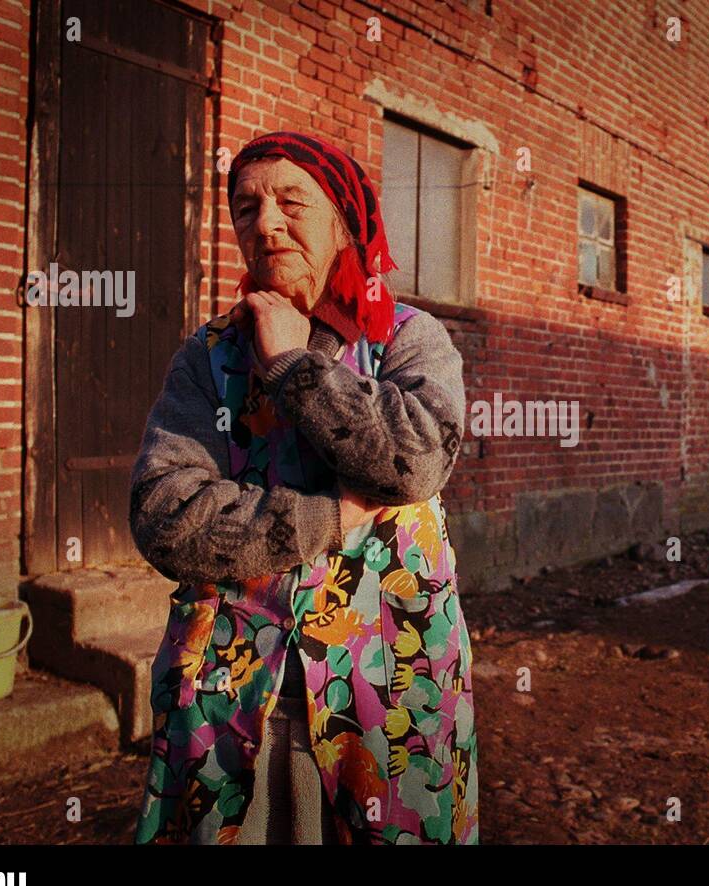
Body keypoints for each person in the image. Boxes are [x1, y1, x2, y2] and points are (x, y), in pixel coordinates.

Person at [129, 131, 478, 845]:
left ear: (344, 222)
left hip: (389, 692)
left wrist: (292, 363)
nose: (266, 223)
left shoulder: (411, 340)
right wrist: (319, 517)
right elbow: (164, 513)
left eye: (292, 202)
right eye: (247, 207)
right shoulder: (209, 357)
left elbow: (412, 463)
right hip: (231, 693)